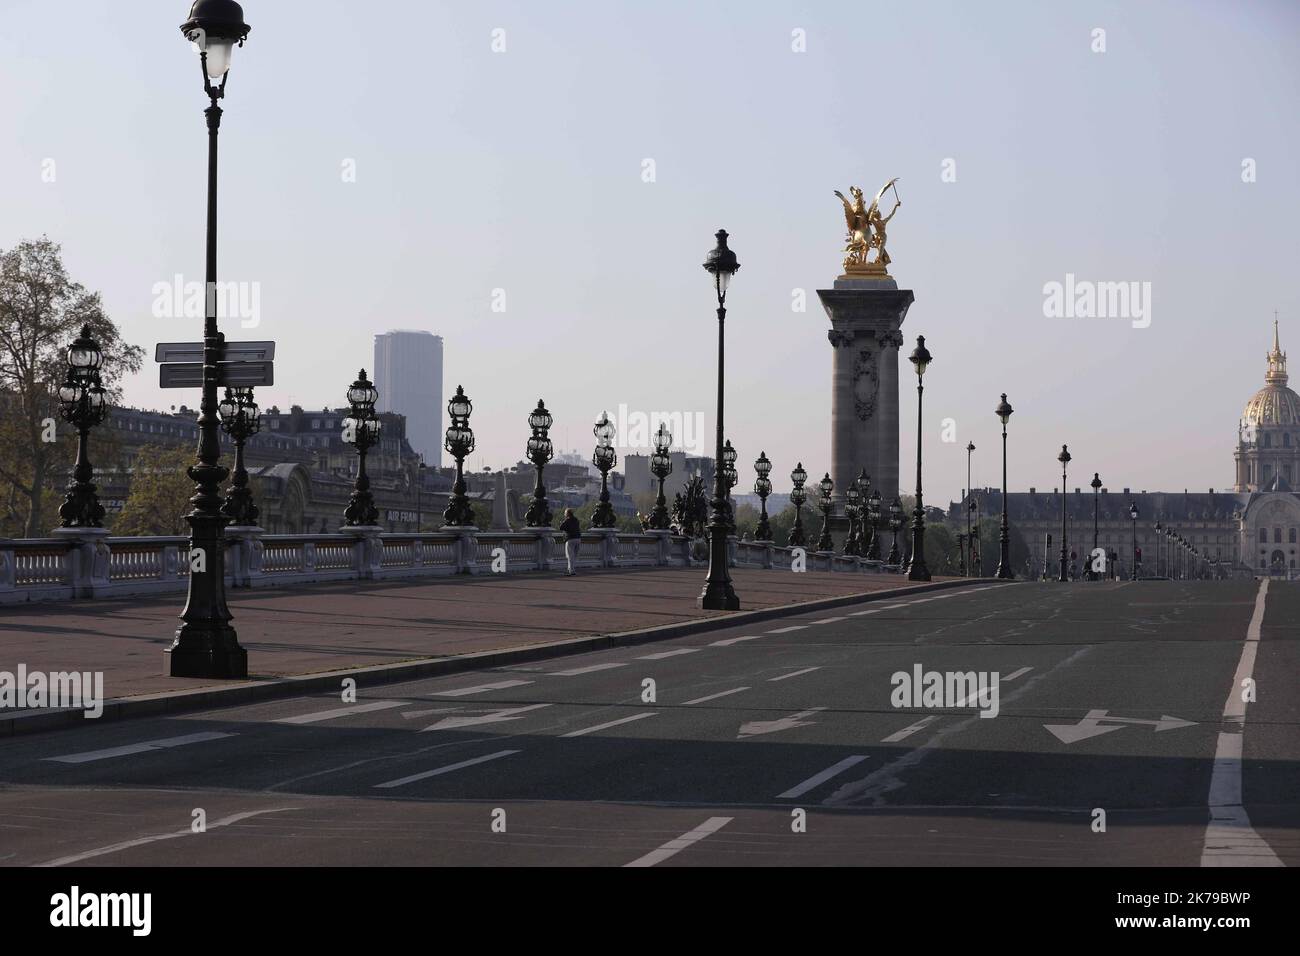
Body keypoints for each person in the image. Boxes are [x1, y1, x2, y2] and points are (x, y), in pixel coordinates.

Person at [560, 507, 582, 576]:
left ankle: (571, 571)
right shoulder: (576, 520)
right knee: (574, 556)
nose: (564, 515)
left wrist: (563, 522)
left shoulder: (567, 520)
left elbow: (561, 527)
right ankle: (570, 569)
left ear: (567, 514)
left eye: (565, 513)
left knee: (570, 556)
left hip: (570, 539)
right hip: (578, 538)